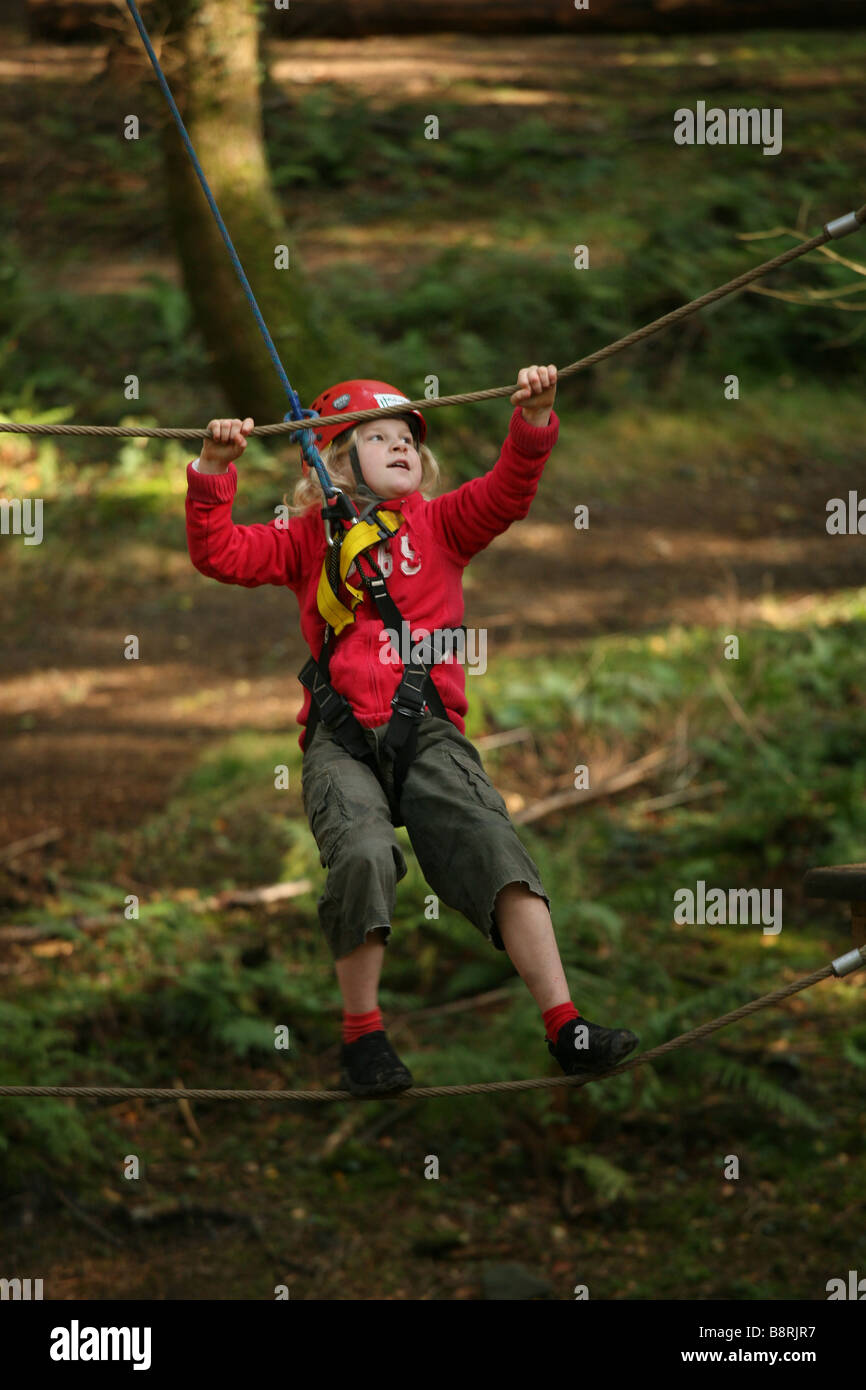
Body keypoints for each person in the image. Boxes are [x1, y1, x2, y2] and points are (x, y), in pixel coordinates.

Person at [185, 365, 638, 1096]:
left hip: (426, 730)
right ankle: (364, 1038)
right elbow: (220, 553)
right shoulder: (307, 541)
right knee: (362, 854)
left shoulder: (442, 525)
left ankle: (565, 1023)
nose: (401, 447)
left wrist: (533, 420)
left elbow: (509, 489)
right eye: (379, 437)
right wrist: (213, 470)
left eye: (407, 439)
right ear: (334, 460)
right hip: (340, 740)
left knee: (494, 846)